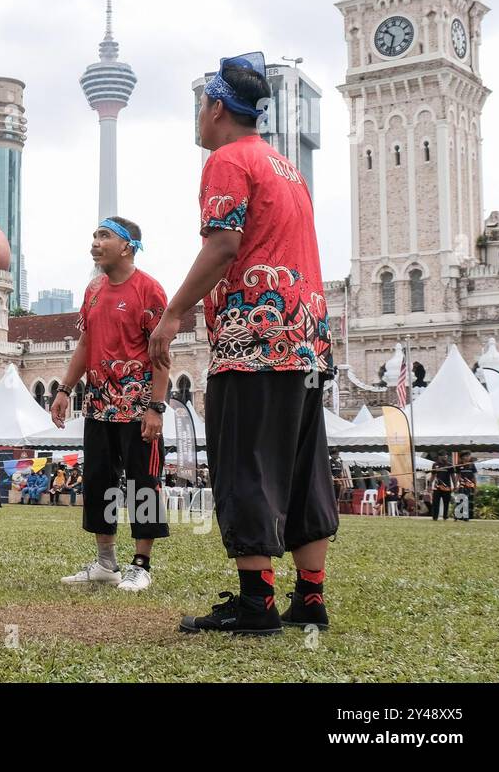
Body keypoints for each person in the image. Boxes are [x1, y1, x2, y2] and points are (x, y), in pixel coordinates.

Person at [150, 53, 337, 635]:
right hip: (307, 338)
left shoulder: (228, 160)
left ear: (215, 107)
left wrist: (173, 313)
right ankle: (310, 597)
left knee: (247, 464)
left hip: (253, 338)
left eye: (201, 105)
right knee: (302, 467)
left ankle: (257, 604)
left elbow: (223, 245)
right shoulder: (287, 168)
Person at [53, 216, 170, 593]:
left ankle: (141, 566)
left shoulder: (149, 290)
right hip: (98, 405)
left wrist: (156, 406)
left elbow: (161, 354)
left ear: (127, 246)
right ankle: (106, 563)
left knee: (143, 485)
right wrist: (65, 389)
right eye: (94, 235)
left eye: (104, 236)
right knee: (99, 483)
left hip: (138, 408)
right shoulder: (93, 290)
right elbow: (85, 344)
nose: (95, 242)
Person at [431, 453, 454, 521]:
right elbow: (433, 476)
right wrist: (429, 485)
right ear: (439, 457)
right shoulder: (435, 465)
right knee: (435, 502)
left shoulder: (449, 465)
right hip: (437, 487)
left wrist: (455, 485)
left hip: (447, 487)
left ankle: (445, 516)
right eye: (443, 455)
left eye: (446, 455)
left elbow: (453, 476)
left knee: (446, 503)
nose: (445, 456)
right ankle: (435, 517)